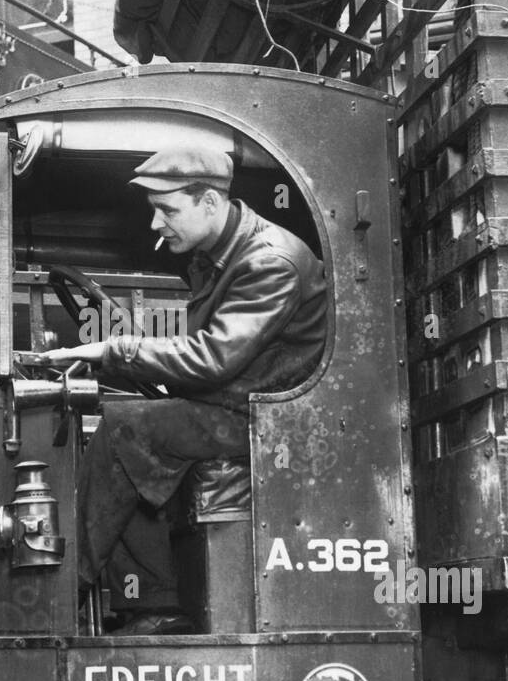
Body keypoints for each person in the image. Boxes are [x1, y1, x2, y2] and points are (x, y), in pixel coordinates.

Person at [41, 146, 327, 634]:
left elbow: (213, 358)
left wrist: (118, 350)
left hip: (272, 421)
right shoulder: (215, 255)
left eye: (168, 210)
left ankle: (58, 595)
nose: (156, 224)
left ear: (211, 203)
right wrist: (125, 350)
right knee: (131, 427)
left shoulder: (269, 262)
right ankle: (153, 604)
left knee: (125, 427)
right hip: (240, 405)